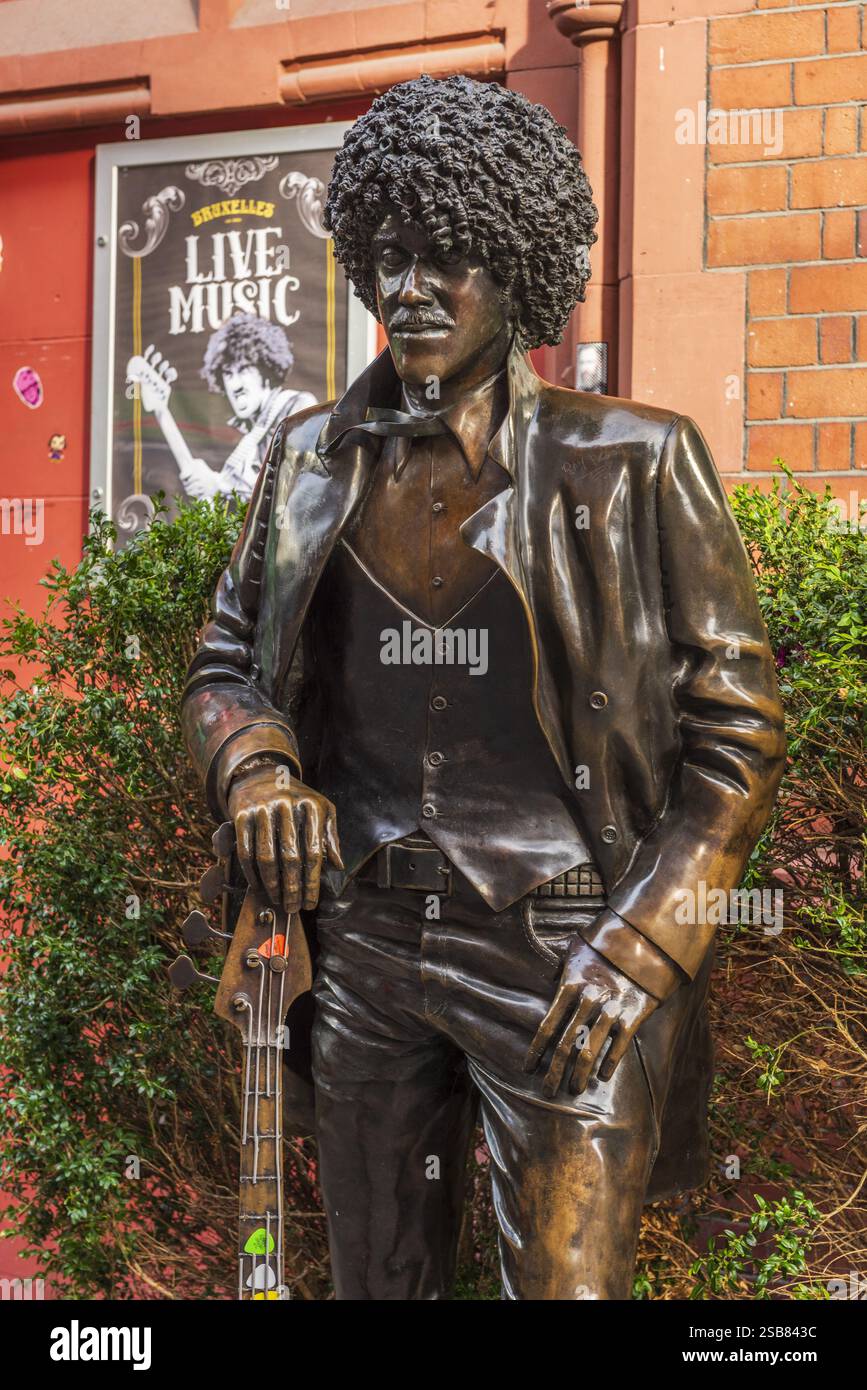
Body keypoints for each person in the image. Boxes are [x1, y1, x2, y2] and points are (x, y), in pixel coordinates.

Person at [182, 75, 785, 1300]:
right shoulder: (306, 463)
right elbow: (227, 668)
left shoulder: (633, 462)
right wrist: (254, 766)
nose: (409, 289)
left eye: (447, 259)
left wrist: (641, 947)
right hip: (364, 941)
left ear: (517, 270)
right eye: (390, 257)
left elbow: (738, 733)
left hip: (565, 950)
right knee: (373, 1281)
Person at [126, 313, 316, 500]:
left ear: (266, 368)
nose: (236, 385)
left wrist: (220, 487)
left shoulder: (297, 407)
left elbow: (298, 490)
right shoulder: (249, 440)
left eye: (243, 369)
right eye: (228, 373)